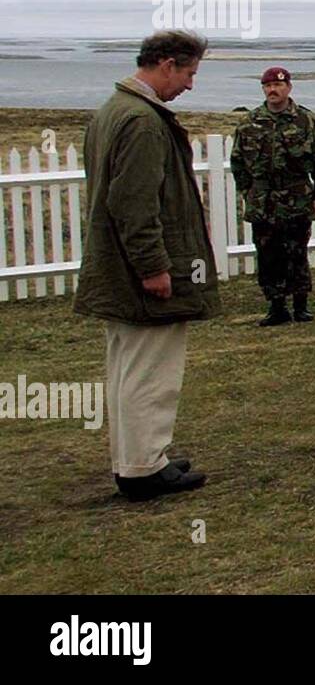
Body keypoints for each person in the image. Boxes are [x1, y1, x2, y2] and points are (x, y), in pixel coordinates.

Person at [73, 30, 220, 502]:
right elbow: (134, 204)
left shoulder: (113, 111)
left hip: (116, 267)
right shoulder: (142, 122)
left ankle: (136, 457)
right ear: (164, 64)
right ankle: (142, 468)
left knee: (125, 366)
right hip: (141, 271)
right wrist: (154, 267)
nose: (190, 85)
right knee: (149, 371)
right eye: (189, 73)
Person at [230, 67, 315, 326]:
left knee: (296, 251)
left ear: (288, 87)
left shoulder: (306, 121)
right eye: (267, 86)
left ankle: (301, 305)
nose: (272, 90)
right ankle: (276, 306)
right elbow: (238, 161)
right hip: (262, 199)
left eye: (278, 85)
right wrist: (248, 191)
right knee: (267, 253)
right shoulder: (249, 123)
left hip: (296, 196)